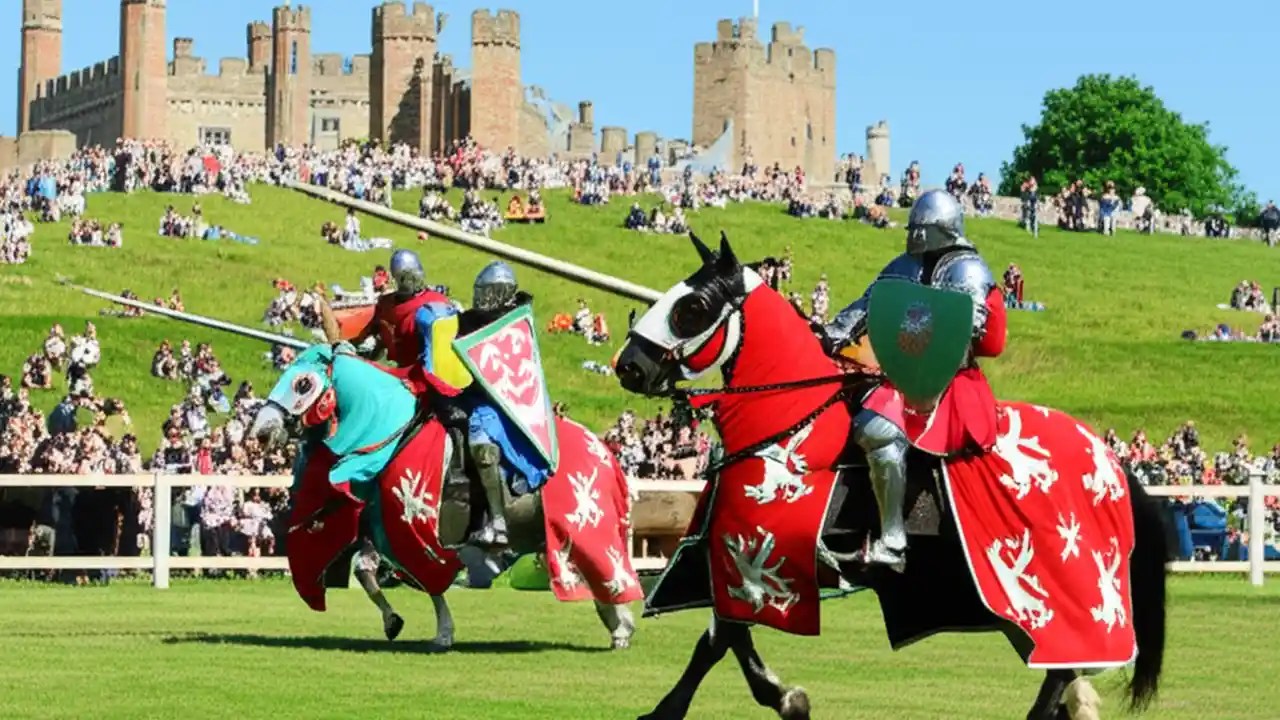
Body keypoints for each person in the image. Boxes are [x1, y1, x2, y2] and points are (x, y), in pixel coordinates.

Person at [818, 190, 1007, 570]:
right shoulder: (903, 266)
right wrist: (828, 333)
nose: (915, 235)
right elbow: (866, 307)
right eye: (914, 228)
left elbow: (968, 326)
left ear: (941, 229)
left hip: (946, 381)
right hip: (899, 373)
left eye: (922, 228)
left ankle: (893, 541)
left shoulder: (968, 270)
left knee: (878, 429)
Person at [451, 261, 551, 546]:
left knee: (480, 441)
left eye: (487, 291)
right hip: (467, 393)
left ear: (500, 292)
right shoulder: (466, 320)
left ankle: (497, 521)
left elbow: (522, 371)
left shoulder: (515, 322)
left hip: (500, 401)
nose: (480, 296)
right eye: (479, 290)